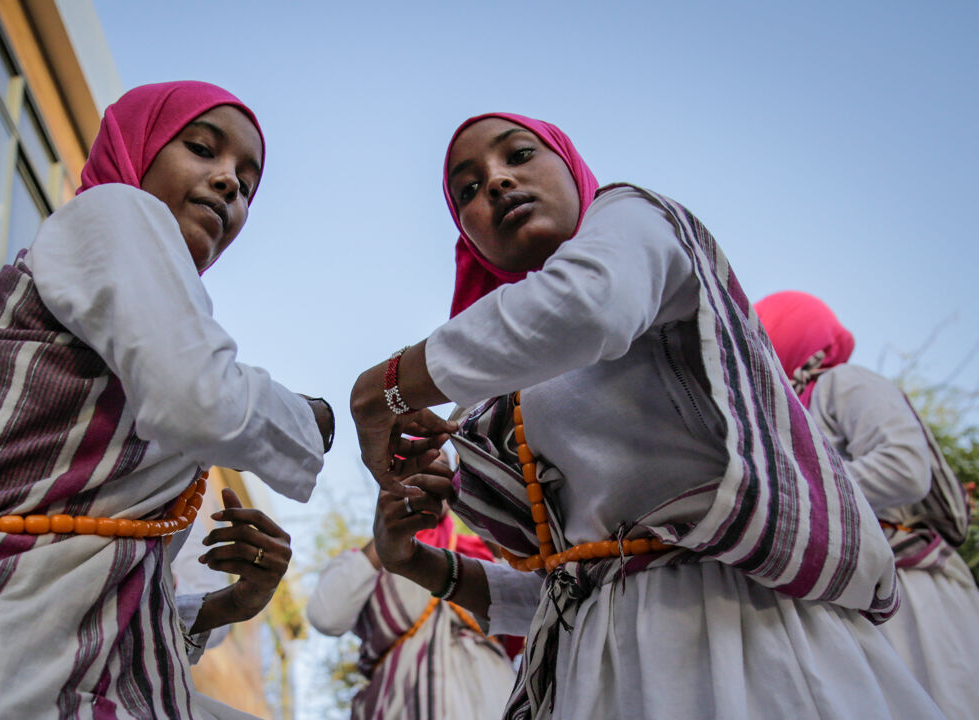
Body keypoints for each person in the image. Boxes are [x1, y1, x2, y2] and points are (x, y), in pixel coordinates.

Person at [349, 113, 944, 719]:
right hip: (601, 675)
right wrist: (420, 564)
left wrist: (383, 388)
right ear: (467, 236)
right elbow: (586, 583)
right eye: (467, 190)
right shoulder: (508, 398)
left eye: (520, 155)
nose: (497, 182)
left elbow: (589, 306)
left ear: (573, 169)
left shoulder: (635, 223)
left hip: (743, 643)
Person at [0, 81, 333, 720]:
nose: (229, 183)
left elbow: (77, 592)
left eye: (247, 180)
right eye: (203, 149)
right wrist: (312, 416)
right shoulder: (115, 213)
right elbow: (201, 397)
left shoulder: (147, 327)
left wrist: (220, 609)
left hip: (12, 662)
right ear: (138, 148)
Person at [755, 290, 979, 720]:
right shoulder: (792, 417)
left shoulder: (842, 382)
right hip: (867, 590)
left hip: (915, 588)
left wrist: (792, 491)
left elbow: (905, 467)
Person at [307, 497, 515, 720]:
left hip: (495, 695)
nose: (429, 477)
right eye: (416, 468)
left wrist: (487, 519)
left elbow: (533, 607)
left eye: (441, 467)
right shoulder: (370, 564)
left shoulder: (480, 552)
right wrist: (387, 537)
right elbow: (326, 617)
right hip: (397, 702)